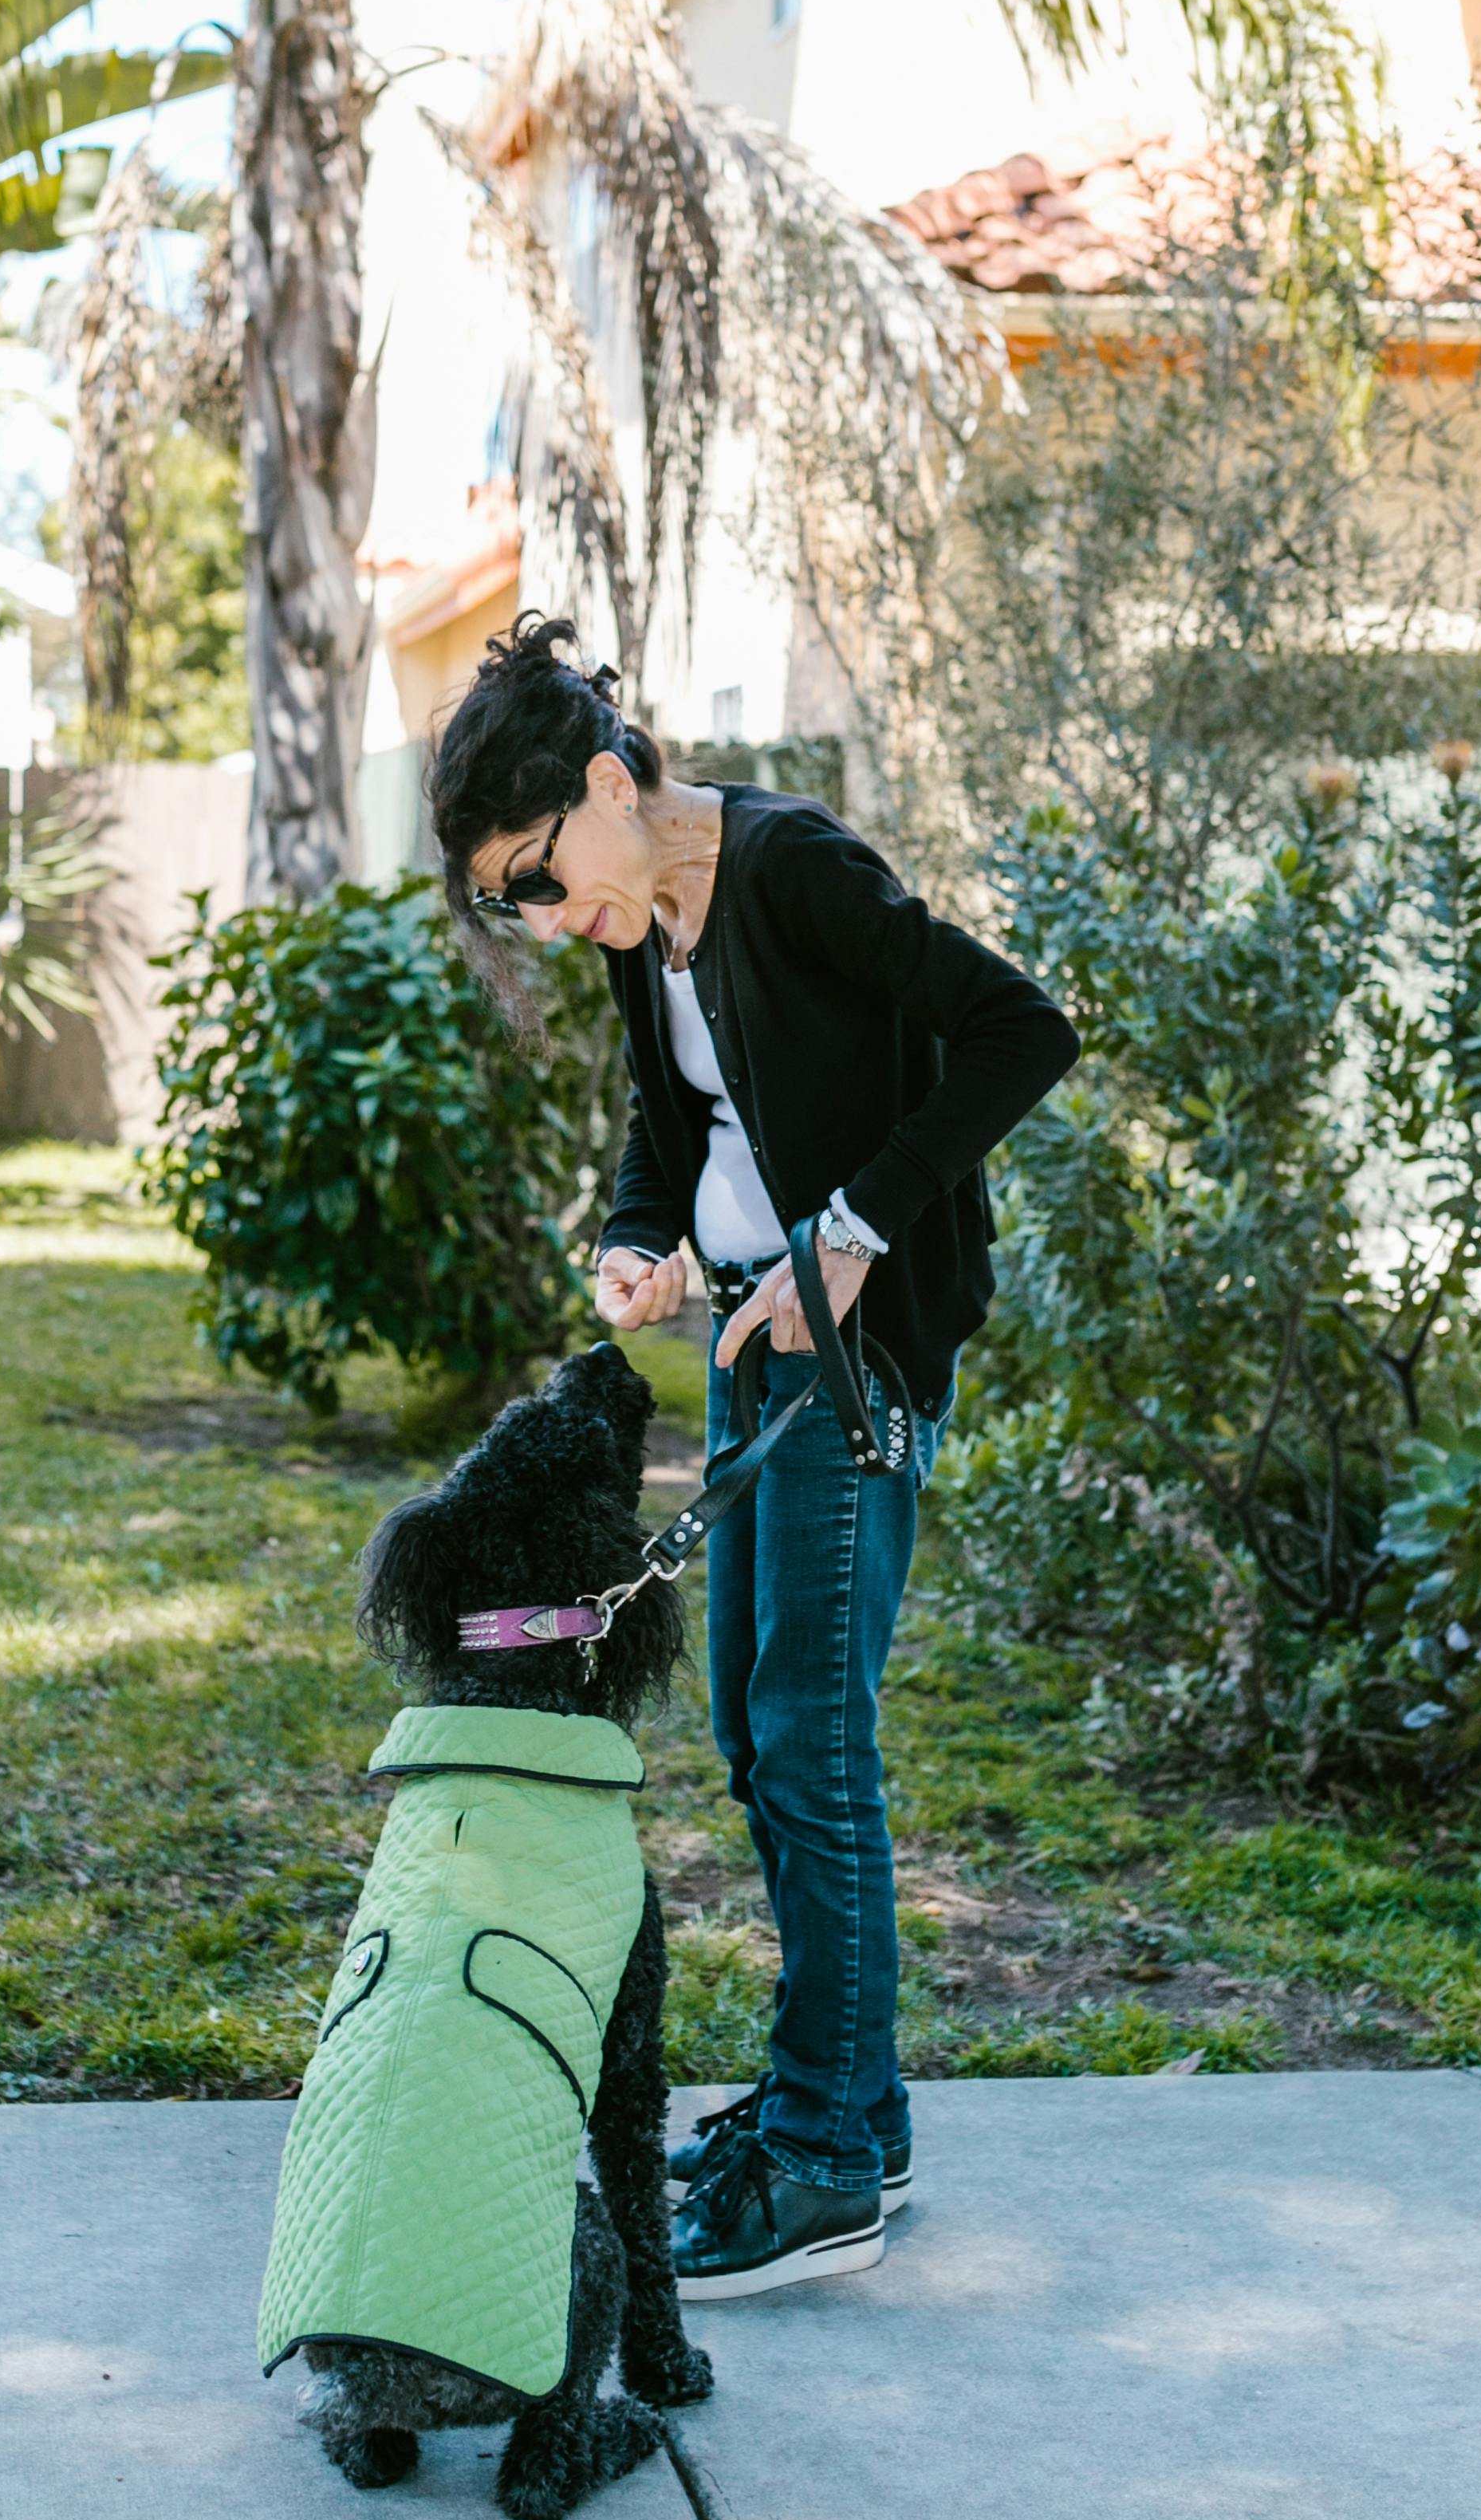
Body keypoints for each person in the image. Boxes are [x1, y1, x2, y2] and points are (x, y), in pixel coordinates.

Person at [427, 615, 1079, 2298]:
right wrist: (637, 1239)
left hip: (850, 1365)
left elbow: (1020, 1031)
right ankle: (853, 2112)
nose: (543, 918)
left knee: (809, 1747)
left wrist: (851, 1231)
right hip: (750, 1349)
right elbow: (675, 1120)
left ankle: (820, 2167)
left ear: (604, 784)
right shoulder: (646, 919)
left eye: (533, 878)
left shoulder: (790, 868)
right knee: (753, 1730)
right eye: (511, 904)